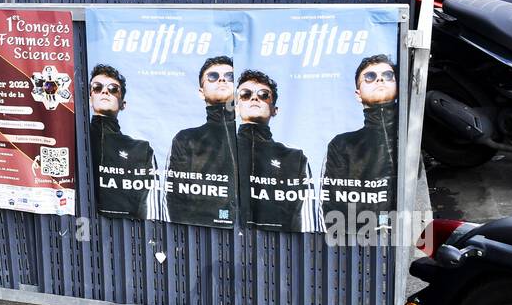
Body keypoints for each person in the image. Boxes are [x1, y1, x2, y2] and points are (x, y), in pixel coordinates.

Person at [321, 55, 398, 239]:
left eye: (388, 75)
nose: (379, 79)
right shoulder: (342, 144)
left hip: (403, 234)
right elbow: (332, 202)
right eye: (370, 77)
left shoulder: (411, 133)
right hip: (359, 241)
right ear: (358, 94)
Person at [88, 64, 167, 221]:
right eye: (97, 87)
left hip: (127, 236)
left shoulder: (141, 149)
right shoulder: (76, 139)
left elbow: (152, 207)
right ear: (90, 98)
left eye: (113, 89)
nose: (105, 91)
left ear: (123, 104)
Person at [166, 56, 238, 227]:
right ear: (201, 92)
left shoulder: (248, 138)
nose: (222, 79)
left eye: (230, 76)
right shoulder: (185, 139)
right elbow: (174, 196)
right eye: (213, 76)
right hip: (198, 233)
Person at [235, 70, 310, 233]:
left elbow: (305, 217)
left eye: (263, 94)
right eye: (245, 94)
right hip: (226, 249)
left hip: (280, 251)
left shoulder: (295, 158)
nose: (254, 98)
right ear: (235, 108)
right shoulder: (221, 149)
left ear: (275, 109)